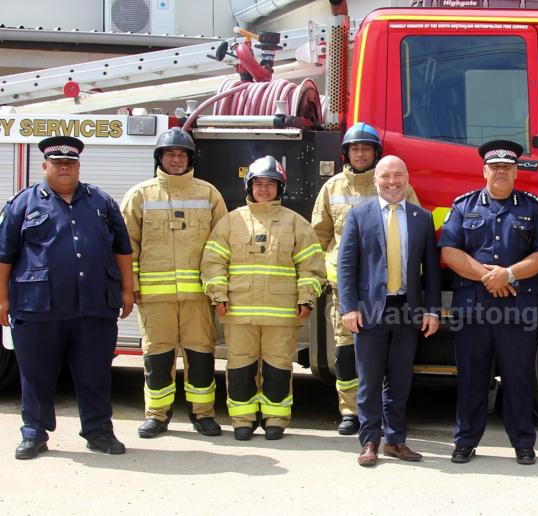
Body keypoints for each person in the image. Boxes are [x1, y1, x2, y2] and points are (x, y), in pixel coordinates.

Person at [0, 136, 133, 459]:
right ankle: (34, 432)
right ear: (44, 166)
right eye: (57, 163)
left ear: (78, 167)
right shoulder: (22, 204)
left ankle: (98, 431)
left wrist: (128, 289)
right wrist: (2, 298)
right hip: (38, 308)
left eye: (70, 164)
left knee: (95, 373)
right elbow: (5, 254)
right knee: (36, 373)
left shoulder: (101, 202)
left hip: (94, 306)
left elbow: (123, 249)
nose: (64, 168)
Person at [439, 140, 538, 465]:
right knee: (471, 379)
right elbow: (449, 251)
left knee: (518, 379)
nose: (501, 172)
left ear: (516, 172)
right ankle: (465, 441)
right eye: (495, 167)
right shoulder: (464, 206)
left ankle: (523, 443)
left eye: (507, 167)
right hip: (473, 309)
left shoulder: (533, 208)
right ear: (484, 171)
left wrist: (509, 274)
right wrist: (488, 276)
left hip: (517, 311)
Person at [201, 156, 325, 441]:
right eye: (258, 184)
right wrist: (218, 294)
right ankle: (242, 420)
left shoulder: (295, 223)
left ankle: (275, 419)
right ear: (249, 186)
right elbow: (213, 262)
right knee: (240, 366)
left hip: (281, 313)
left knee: (278, 367)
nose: (264, 189)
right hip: (239, 311)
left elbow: (311, 266)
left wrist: (306, 298)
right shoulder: (231, 222)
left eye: (270, 184)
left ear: (280, 188)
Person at [311, 122, 420, 436]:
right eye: (354, 148)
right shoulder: (332, 188)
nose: (360, 153)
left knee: (382, 355)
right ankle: (350, 411)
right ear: (346, 153)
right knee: (346, 352)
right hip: (345, 287)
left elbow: (413, 232)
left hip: (385, 288)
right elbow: (317, 237)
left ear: (375, 153)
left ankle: (382, 412)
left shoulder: (392, 185)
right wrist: (320, 276)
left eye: (366, 148)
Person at [121, 128, 227, 438]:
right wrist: (132, 286)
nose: (176, 160)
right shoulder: (140, 195)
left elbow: (222, 244)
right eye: (170, 154)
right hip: (154, 298)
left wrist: (218, 288)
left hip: (197, 296)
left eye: (182, 155)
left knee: (201, 355)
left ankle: (203, 414)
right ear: (160, 158)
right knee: (157, 356)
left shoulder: (208, 194)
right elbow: (127, 246)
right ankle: (157, 415)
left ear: (190, 158)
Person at [337, 156, 441, 467]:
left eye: (398, 175)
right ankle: (369, 440)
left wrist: (432, 310)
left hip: (407, 310)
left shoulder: (422, 218)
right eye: (386, 176)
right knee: (369, 379)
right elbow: (346, 265)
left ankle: (395, 441)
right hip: (369, 310)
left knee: (399, 378)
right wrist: (349, 307)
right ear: (375, 180)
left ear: (408, 178)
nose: (392, 181)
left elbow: (432, 272)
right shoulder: (359, 215)